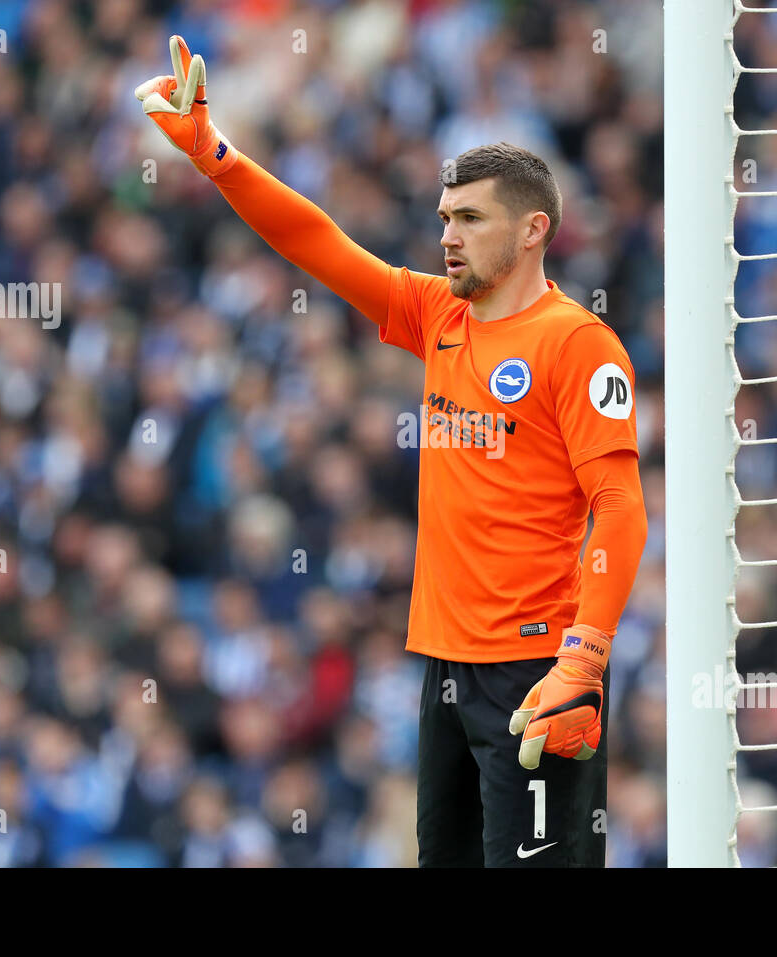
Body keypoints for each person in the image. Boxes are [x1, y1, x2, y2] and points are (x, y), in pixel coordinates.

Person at [135, 36, 648, 867]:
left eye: (470, 218)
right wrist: (215, 155)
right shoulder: (438, 314)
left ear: (532, 231)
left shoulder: (577, 345)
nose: (447, 235)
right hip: (445, 665)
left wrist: (583, 660)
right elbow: (317, 242)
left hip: (536, 670)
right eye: (444, 216)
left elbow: (620, 508)